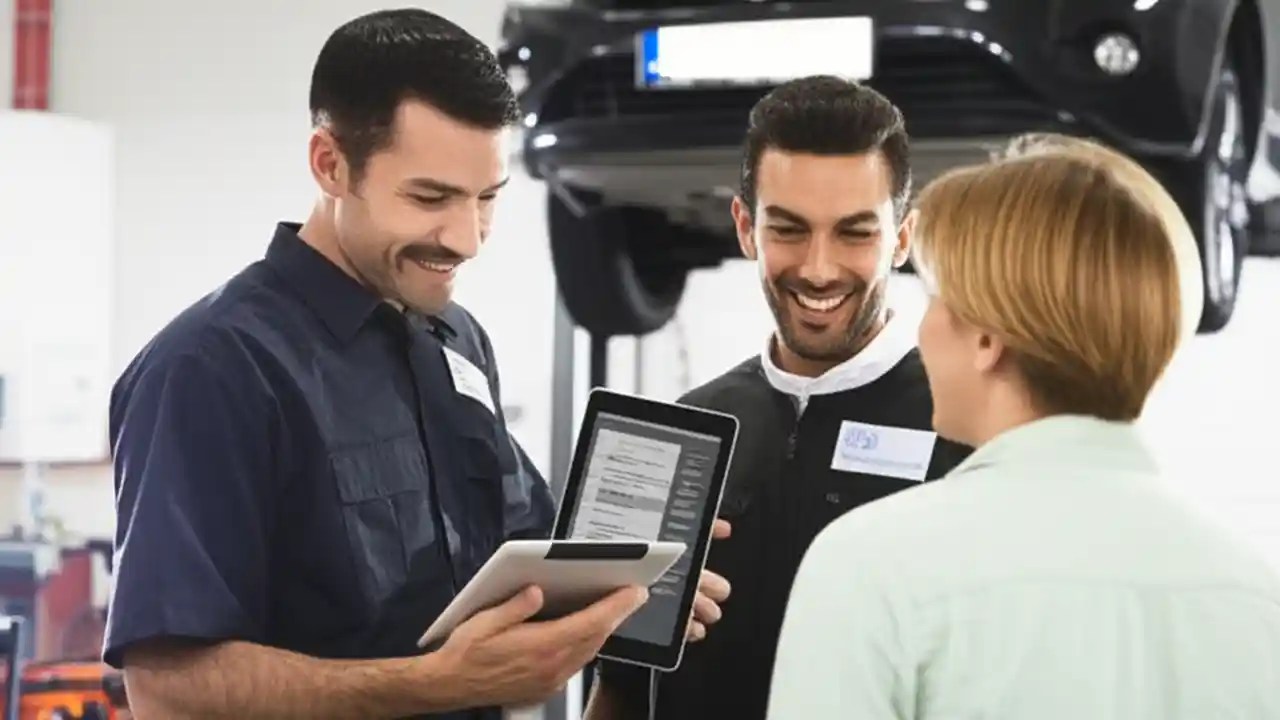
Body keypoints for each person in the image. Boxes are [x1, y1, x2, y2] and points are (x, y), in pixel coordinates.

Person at [102, 9, 724, 719]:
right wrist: (442, 683)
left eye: (486, 200)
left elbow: (524, 554)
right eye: (430, 198)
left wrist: (638, 581)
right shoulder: (211, 370)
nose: (467, 239)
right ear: (329, 164)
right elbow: (167, 689)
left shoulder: (455, 339)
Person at [767, 147, 1280, 718]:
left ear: (988, 339)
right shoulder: (1252, 590)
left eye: (936, 298)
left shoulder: (869, 566)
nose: (926, 326)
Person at [586, 76, 972, 720]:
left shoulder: (963, 428)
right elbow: (619, 688)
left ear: (902, 239)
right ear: (746, 227)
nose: (819, 269)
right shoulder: (679, 429)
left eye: (855, 233)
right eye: (789, 229)